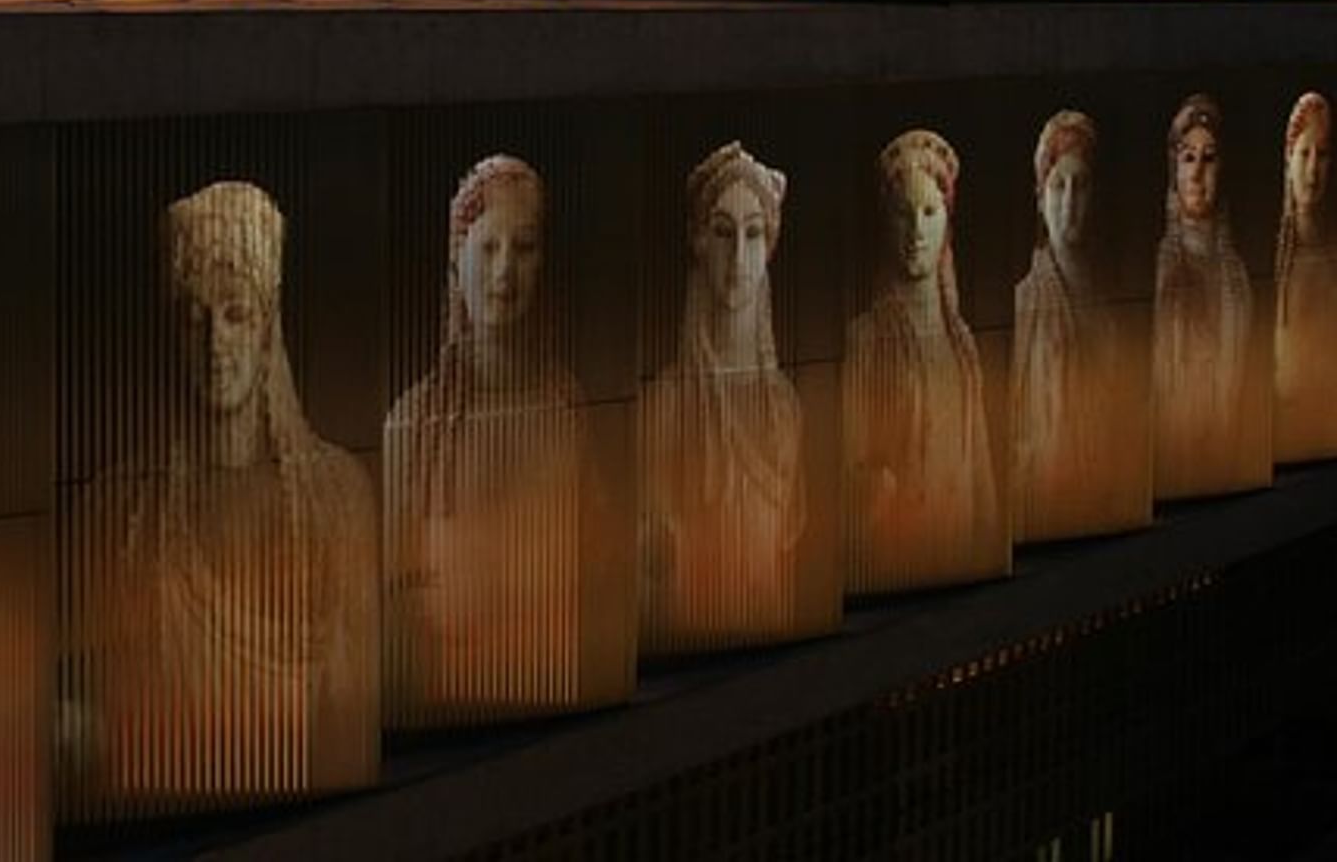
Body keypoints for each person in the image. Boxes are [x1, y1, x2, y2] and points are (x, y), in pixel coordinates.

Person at [65, 181, 379, 817]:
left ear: (268, 328)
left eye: (236, 313)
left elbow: (355, 720)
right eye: (193, 317)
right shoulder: (117, 511)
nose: (214, 344)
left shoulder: (339, 496)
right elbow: (91, 719)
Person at [384, 155, 625, 726]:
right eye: (488, 248)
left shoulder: (567, 408)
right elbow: (389, 601)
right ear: (457, 257)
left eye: (524, 248)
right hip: (447, 721)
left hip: (556, 708)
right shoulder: (414, 425)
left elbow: (600, 569)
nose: (504, 272)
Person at [638, 141, 806, 651]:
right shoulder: (664, 404)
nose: (739, 257)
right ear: (699, 242)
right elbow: (647, 567)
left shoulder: (784, 405)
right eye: (723, 233)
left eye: (754, 235)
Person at [843, 129, 1002, 593]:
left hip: (962, 567)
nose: (916, 232)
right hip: (898, 567)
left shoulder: (963, 344)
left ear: (947, 222)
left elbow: (981, 478)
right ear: (884, 223)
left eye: (929, 213)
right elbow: (849, 470)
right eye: (902, 214)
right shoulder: (865, 341)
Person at [1011, 112, 1149, 541]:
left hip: (1115, 507)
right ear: (1039, 196)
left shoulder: (1119, 304)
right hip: (1044, 512)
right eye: (1057, 186)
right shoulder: (1023, 306)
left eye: (1081, 186)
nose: (1068, 203)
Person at [1152, 95, 1257, 498]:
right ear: (1173, 169)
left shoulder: (1238, 279)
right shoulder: (1158, 272)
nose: (1197, 174)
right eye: (1187, 159)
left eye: (1208, 159)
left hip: (1224, 454)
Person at [1273, 92, 1337, 460]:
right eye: (1304, 154)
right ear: (1289, 158)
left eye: (1323, 154)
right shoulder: (1273, 257)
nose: (1313, 170)